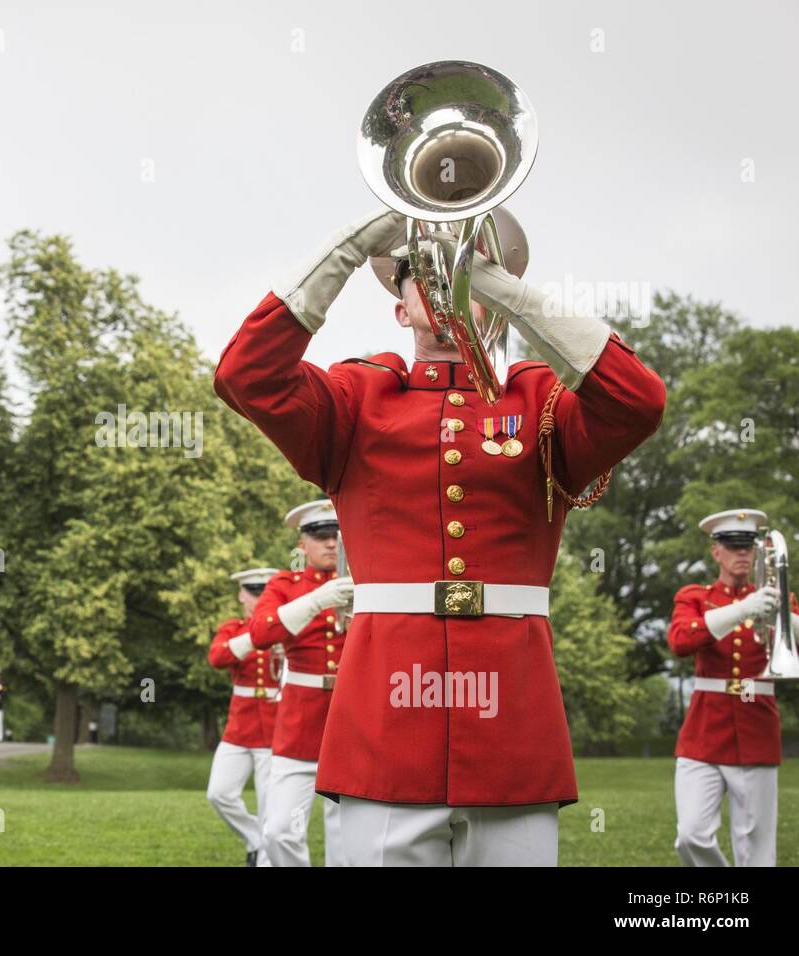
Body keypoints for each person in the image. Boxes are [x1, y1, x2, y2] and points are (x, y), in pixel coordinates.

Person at [215, 207, 666, 865]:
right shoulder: (357, 400)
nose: (444, 282)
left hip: (514, 729)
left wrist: (497, 285)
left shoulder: (538, 405)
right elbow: (244, 375)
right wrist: (350, 245)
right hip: (383, 732)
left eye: (464, 270)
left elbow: (638, 400)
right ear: (399, 309)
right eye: (421, 272)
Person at [667, 509, 798, 866]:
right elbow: (680, 640)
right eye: (732, 546)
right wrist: (743, 610)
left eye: (748, 546)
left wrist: (785, 618)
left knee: (757, 848)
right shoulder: (695, 596)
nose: (742, 553)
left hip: (757, 728)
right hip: (703, 732)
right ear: (716, 552)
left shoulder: (778, 598)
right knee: (691, 834)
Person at [249, 502, 353, 866]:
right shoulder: (286, 583)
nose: (331, 544)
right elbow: (260, 633)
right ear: (303, 544)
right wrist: (316, 601)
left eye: (338, 536)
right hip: (300, 722)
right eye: (321, 536)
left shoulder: (368, 582)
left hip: (350, 719)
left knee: (347, 835)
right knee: (279, 830)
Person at [205, 566, 280, 866]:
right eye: (253, 593)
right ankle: (255, 839)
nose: (258, 598)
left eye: (264, 593)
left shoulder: (283, 626)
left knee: (268, 804)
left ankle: (263, 860)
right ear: (241, 596)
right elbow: (217, 657)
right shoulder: (233, 629)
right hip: (239, 728)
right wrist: (253, 637)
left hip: (274, 728)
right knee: (218, 793)